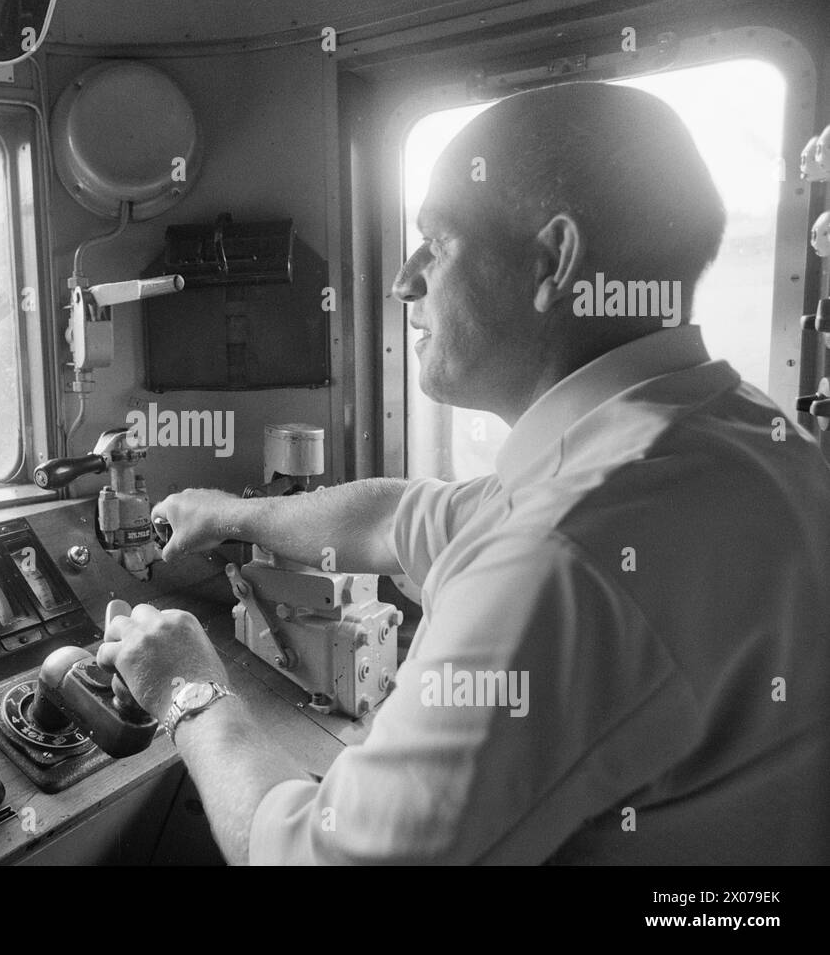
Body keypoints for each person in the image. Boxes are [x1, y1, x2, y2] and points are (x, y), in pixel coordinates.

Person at [96, 81, 830, 864]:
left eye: (438, 243)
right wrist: (234, 515)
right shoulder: (739, 435)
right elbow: (394, 516)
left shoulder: (564, 555)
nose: (404, 281)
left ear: (555, 259)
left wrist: (190, 691)